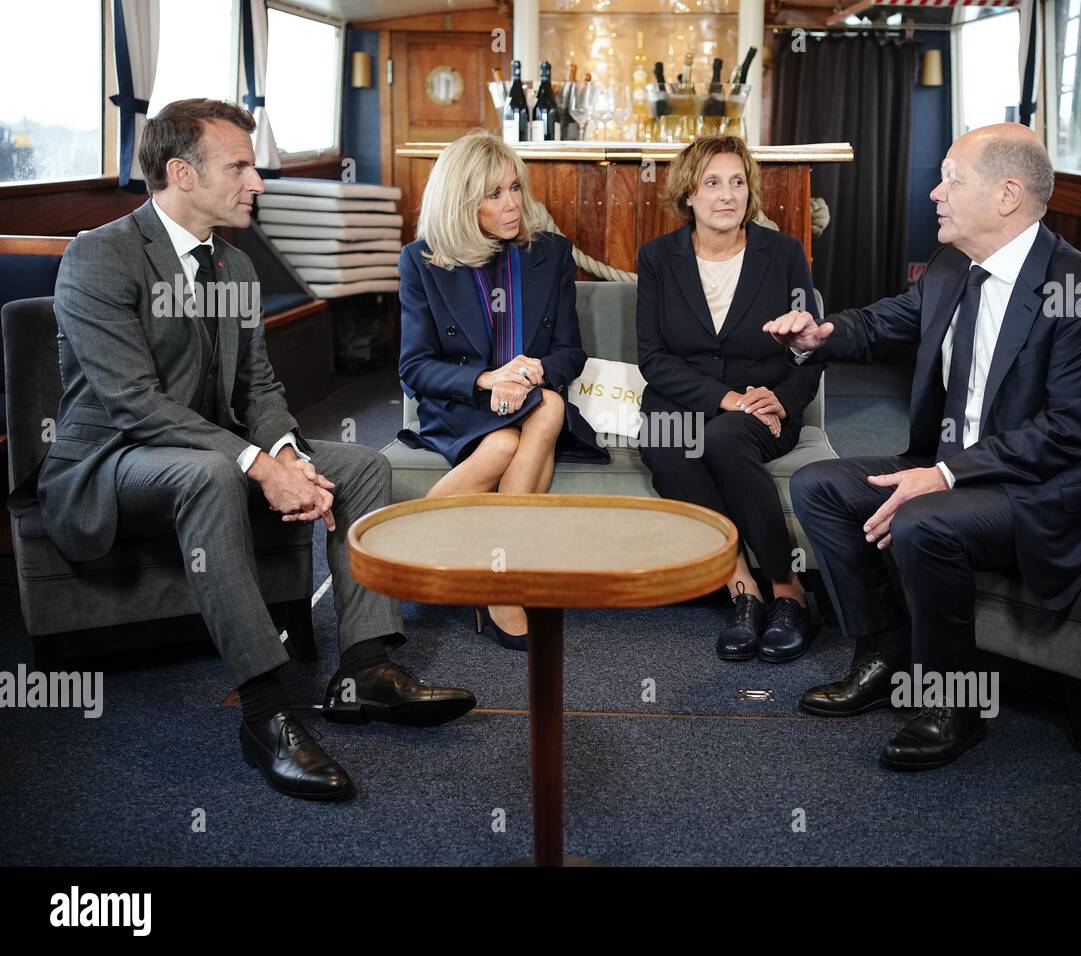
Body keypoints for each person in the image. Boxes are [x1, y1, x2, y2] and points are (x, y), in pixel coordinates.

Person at [41, 98, 476, 802]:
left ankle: (363, 669)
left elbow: (259, 385)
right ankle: (267, 713)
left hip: (210, 451)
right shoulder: (100, 254)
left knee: (363, 464)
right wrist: (257, 464)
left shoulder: (235, 269)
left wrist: (284, 450)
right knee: (213, 473)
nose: (257, 182)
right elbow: (133, 402)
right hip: (113, 462)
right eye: (238, 166)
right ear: (181, 173)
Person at [766, 123, 1081, 770]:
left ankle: (952, 707)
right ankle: (884, 653)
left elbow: (1071, 433)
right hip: (953, 470)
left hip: (1045, 492)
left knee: (922, 519)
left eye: (952, 178)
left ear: (1007, 195)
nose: (933, 193)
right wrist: (820, 334)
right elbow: (887, 320)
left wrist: (945, 474)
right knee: (818, 486)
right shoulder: (953, 267)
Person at [397, 129, 608, 649]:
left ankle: (494, 574)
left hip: (534, 398)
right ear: (462, 200)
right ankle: (493, 568)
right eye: (494, 194)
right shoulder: (422, 261)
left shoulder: (550, 253)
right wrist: (486, 379)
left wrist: (532, 372)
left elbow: (569, 354)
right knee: (502, 442)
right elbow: (415, 367)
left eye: (514, 188)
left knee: (550, 402)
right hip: (462, 405)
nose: (514, 204)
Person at [636, 135, 826, 662]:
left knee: (721, 441)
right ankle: (740, 588)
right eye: (712, 182)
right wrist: (726, 398)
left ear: (750, 191)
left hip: (766, 404)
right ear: (688, 195)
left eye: (738, 182)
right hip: (685, 400)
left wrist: (782, 402)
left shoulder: (784, 254)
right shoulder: (658, 258)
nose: (727, 195)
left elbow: (808, 353)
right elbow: (653, 358)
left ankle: (788, 590)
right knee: (665, 442)